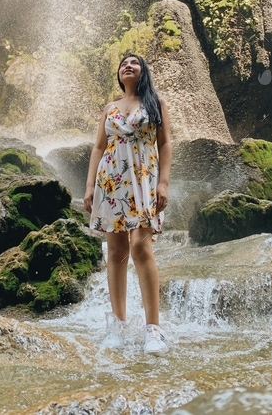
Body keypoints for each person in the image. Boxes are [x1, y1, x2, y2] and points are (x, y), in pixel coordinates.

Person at [84, 52, 172, 354]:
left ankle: (153, 329)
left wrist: (163, 182)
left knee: (140, 246)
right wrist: (89, 187)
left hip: (143, 178)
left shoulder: (154, 103)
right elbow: (98, 147)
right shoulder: (109, 108)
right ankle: (118, 325)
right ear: (119, 75)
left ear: (143, 70)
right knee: (116, 250)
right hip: (110, 181)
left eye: (134, 62)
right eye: (123, 63)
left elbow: (165, 143)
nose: (128, 65)